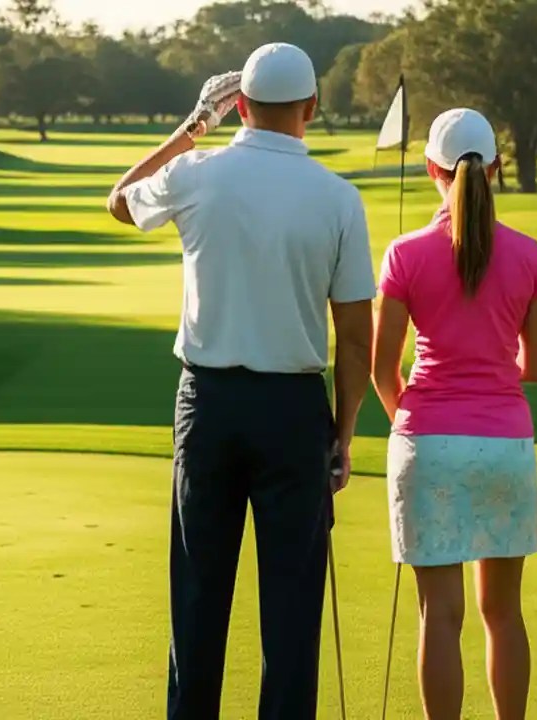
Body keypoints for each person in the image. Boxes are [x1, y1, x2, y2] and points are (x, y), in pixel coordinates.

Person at [106, 43, 376, 720]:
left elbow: (118, 201)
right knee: (291, 612)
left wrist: (192, 127)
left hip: (209, 406)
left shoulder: (199, 172)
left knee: (198, 597)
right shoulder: (339, 198)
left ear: (242, 107)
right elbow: (356, 338)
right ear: (312, 109)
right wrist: (342, 434)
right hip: (294, 413)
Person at [372, 108, 537, 720]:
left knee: (440, 616)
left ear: (432, 169)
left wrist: (412, 423)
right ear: (496, 170)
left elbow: (380, 368)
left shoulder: (405, 253)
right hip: (505, 444)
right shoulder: (529, 255)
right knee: (502, 614)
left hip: (427, 441)